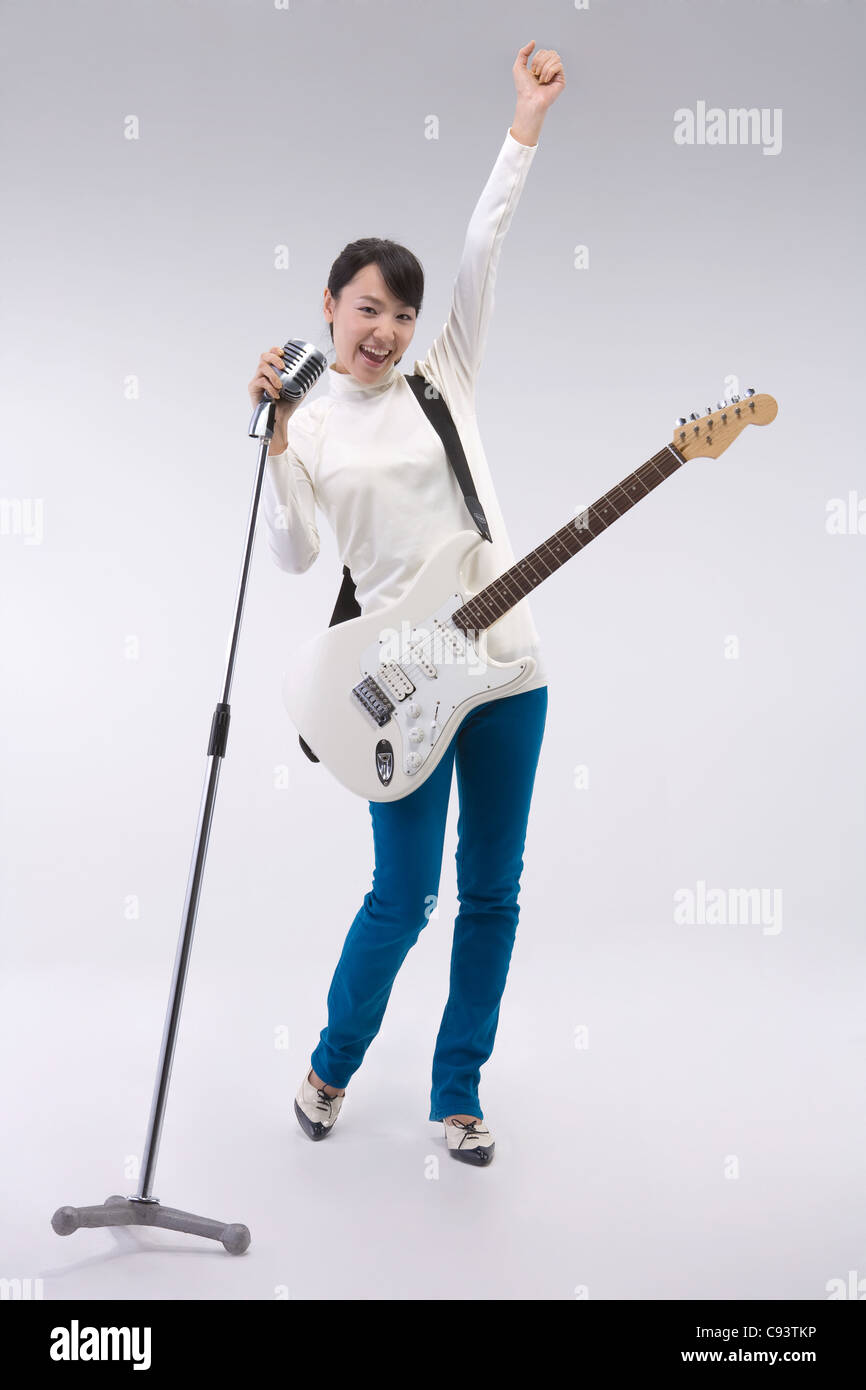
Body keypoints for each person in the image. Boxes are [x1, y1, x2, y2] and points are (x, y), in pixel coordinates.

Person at [248, 40, 566, 1165]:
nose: (384, 330)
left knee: (491, 893)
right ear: (329, 307)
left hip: (508, 670)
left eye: (401, 312)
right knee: (402, 896)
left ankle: (457, 1093)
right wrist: (276, 438)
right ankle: (332, 1065)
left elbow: (484, 242)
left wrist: (523, 119)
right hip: (400, 686)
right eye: (367, 308)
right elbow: (288, 553)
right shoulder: (314, 426)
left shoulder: (445, 379)